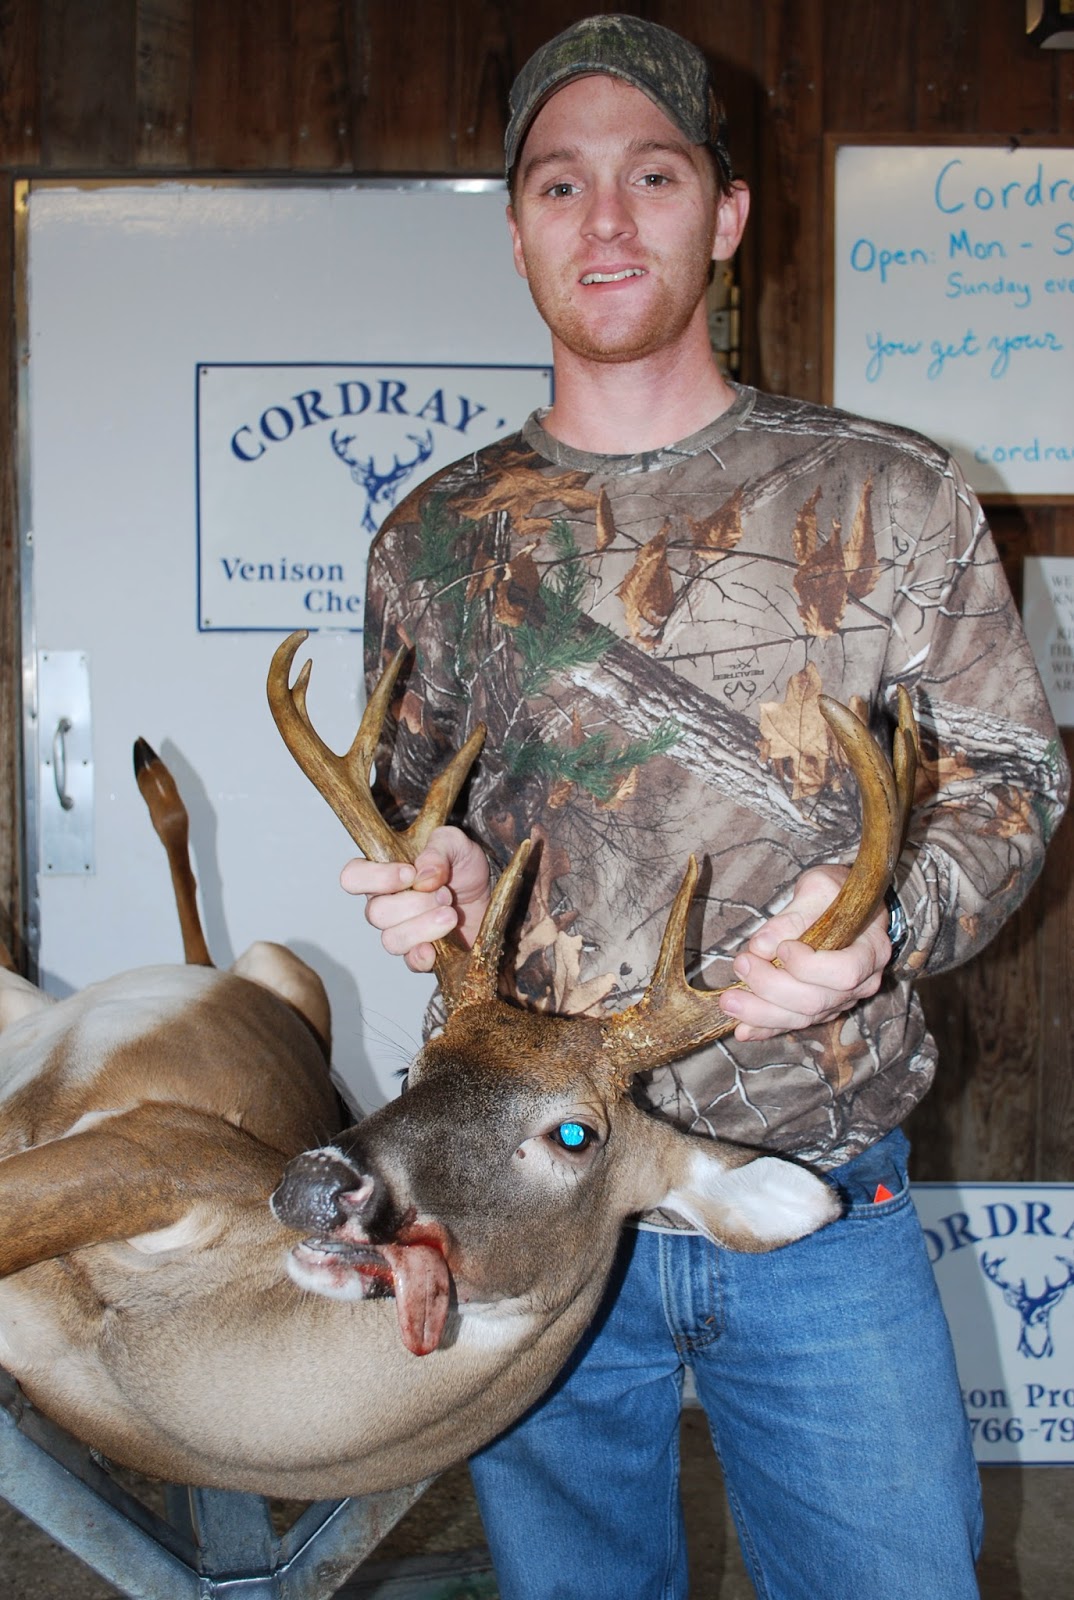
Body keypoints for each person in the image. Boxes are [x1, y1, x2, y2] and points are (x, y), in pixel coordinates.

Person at [342, 15, 1068, 1599]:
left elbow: (1007, 780)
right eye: (559, 186)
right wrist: (427, 869)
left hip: (818, 1193)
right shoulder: (436, 535)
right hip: (524, 1206)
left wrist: (886, 925)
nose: (603, 222)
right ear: (518, 228)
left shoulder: (889, 495)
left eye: (652, 178)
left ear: (726, 216)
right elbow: (412, 798)